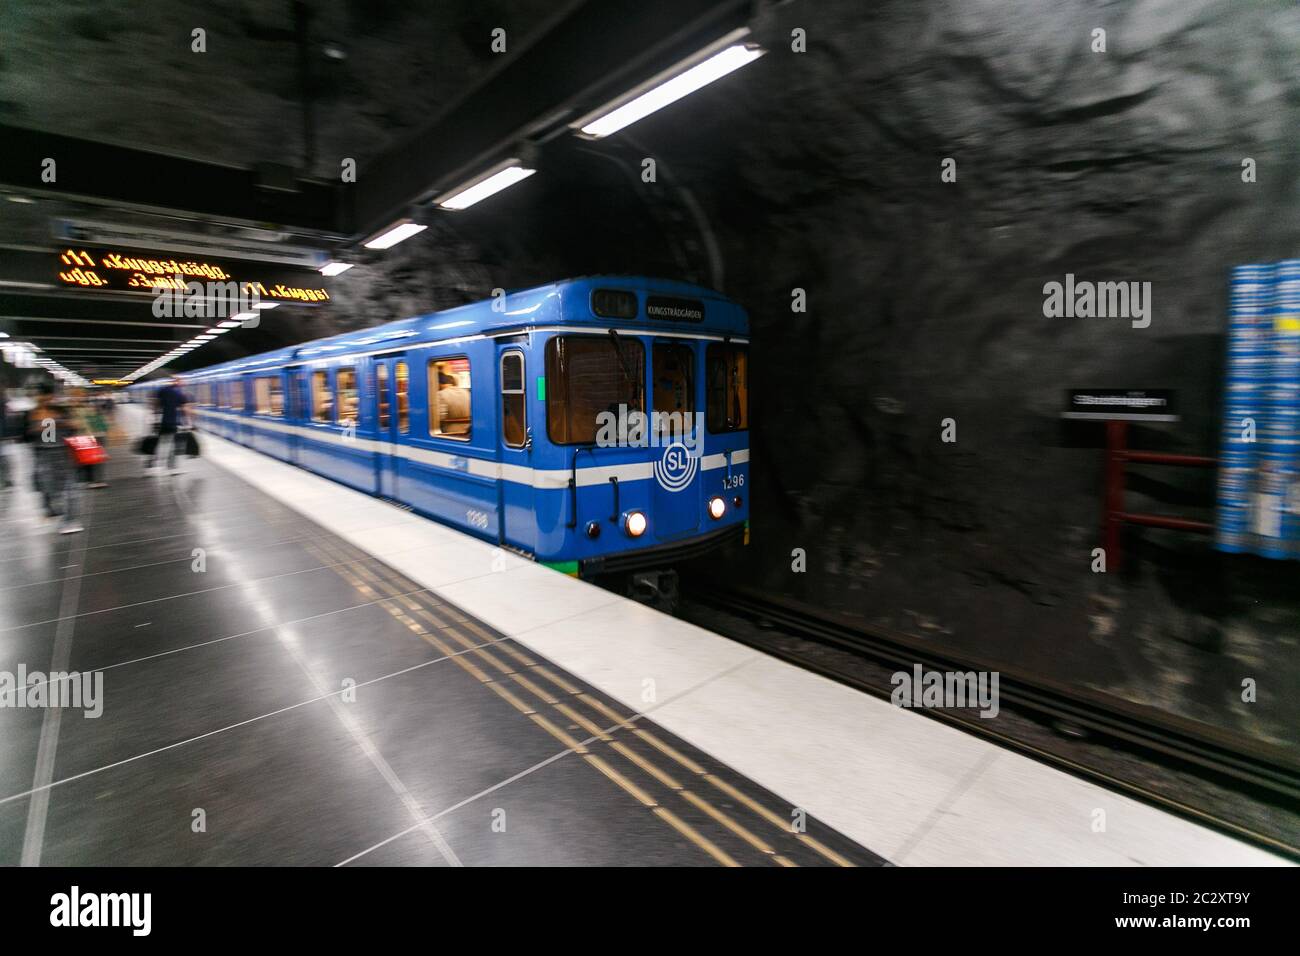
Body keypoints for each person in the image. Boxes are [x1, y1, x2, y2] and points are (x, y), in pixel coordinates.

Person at [27, 382, 83, 534]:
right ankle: (51, 510)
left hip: (63, 452)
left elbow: (75, 427)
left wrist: (62, 424)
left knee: (70, 488)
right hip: (42, 454)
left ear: (51, 396)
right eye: (40, 395)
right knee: (47, 486)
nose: (43, 398)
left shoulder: (61, 411)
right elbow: (25, 435)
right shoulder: (31, 413)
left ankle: (70, 520)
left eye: (46, 394)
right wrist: (38, 429)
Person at [147, 376, 192, 474]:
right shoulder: (179, 393)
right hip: (171, 422)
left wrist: (154, 417)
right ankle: (171, 468)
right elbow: (185, 409)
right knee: (172, 444)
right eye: (181, 382)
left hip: (160, 421)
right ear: (177, 382)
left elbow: (155, 404)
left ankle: (151, 466)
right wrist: (189, 423)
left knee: (157, 442)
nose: (183, 384)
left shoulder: (162, 390)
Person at [71, 388, 109, 488]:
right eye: (77, 395)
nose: (79, 397)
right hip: (82, 436)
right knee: (86, 460)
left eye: (81, 395)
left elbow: (99, 421)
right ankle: (89, 480)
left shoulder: (89, 407)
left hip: (92, 435)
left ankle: (95, 480)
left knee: (95, 459)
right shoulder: (71, 408)